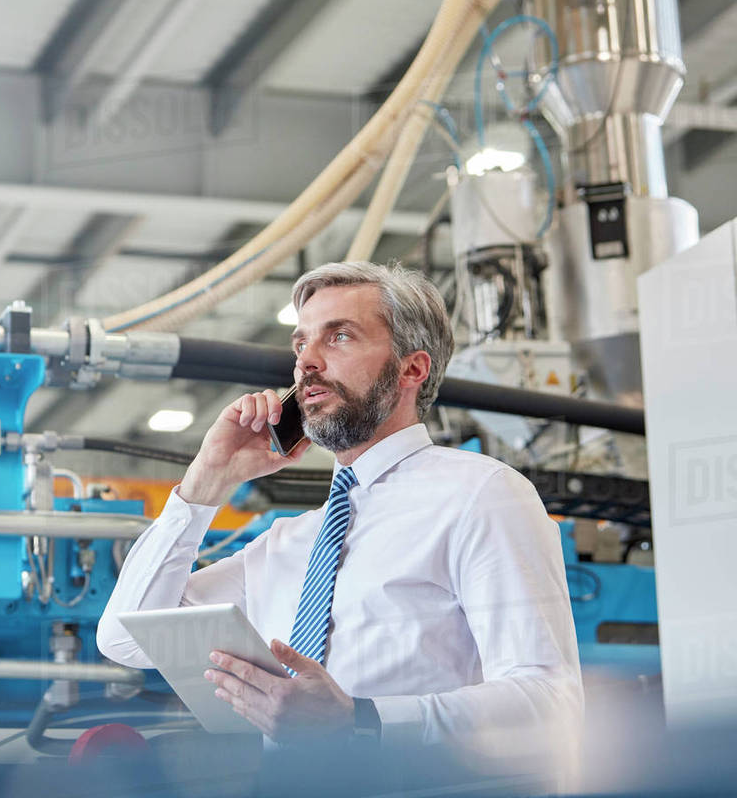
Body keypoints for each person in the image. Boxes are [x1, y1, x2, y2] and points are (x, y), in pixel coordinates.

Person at [96, 261, 583, 778]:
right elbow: (127, 639)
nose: (307, 362)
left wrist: (362, 721)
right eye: (300, 344)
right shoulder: (286, 543)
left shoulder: (480, 495)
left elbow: (550, 703)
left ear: (411, 370)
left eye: (340, 337)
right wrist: (206, 482)